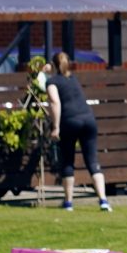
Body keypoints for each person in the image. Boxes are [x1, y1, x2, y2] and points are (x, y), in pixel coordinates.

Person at [44, 51, 109, 213]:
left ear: (52, 65)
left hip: (69, 121)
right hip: (88, 119)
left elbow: (55, 102)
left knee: (67, 161)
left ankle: (68, 203)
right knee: (92, 161)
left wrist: (56, 127)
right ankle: (103, 201)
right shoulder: (73, 79)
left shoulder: (52, 82)